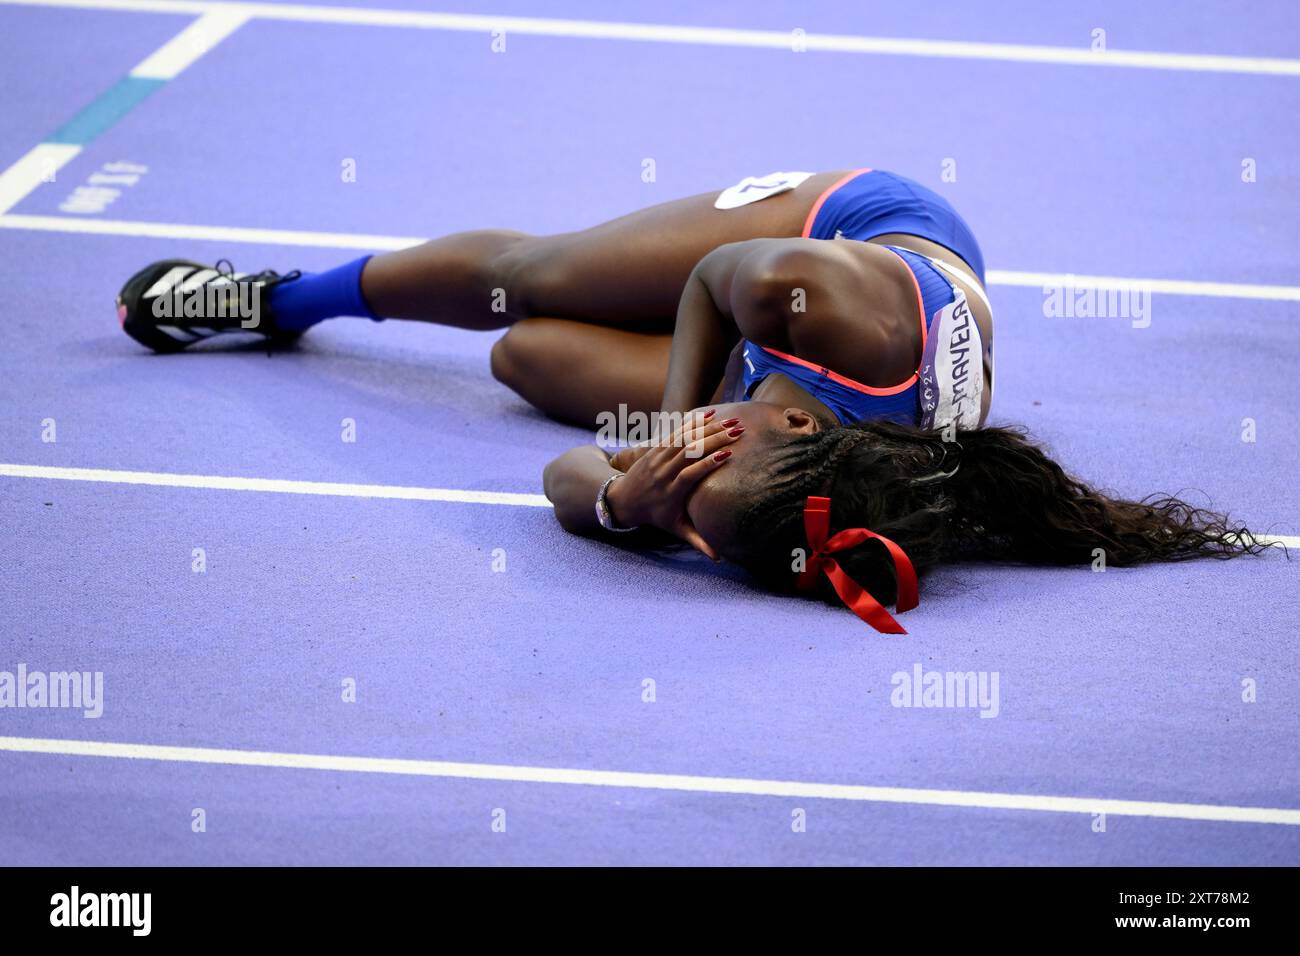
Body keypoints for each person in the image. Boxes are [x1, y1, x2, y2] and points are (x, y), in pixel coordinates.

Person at [115, 168, 1259, 631]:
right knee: (540, 275)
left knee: (527, 362)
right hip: (832, 229)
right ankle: (275, 300)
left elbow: (570, 482)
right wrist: (673, 419)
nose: (686, 466)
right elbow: (726, 276)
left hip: (764, 371)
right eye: (707, 462)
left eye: (690, 490)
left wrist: (631, 505)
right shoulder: (842, 314)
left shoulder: (774, 501)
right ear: (795, 423)